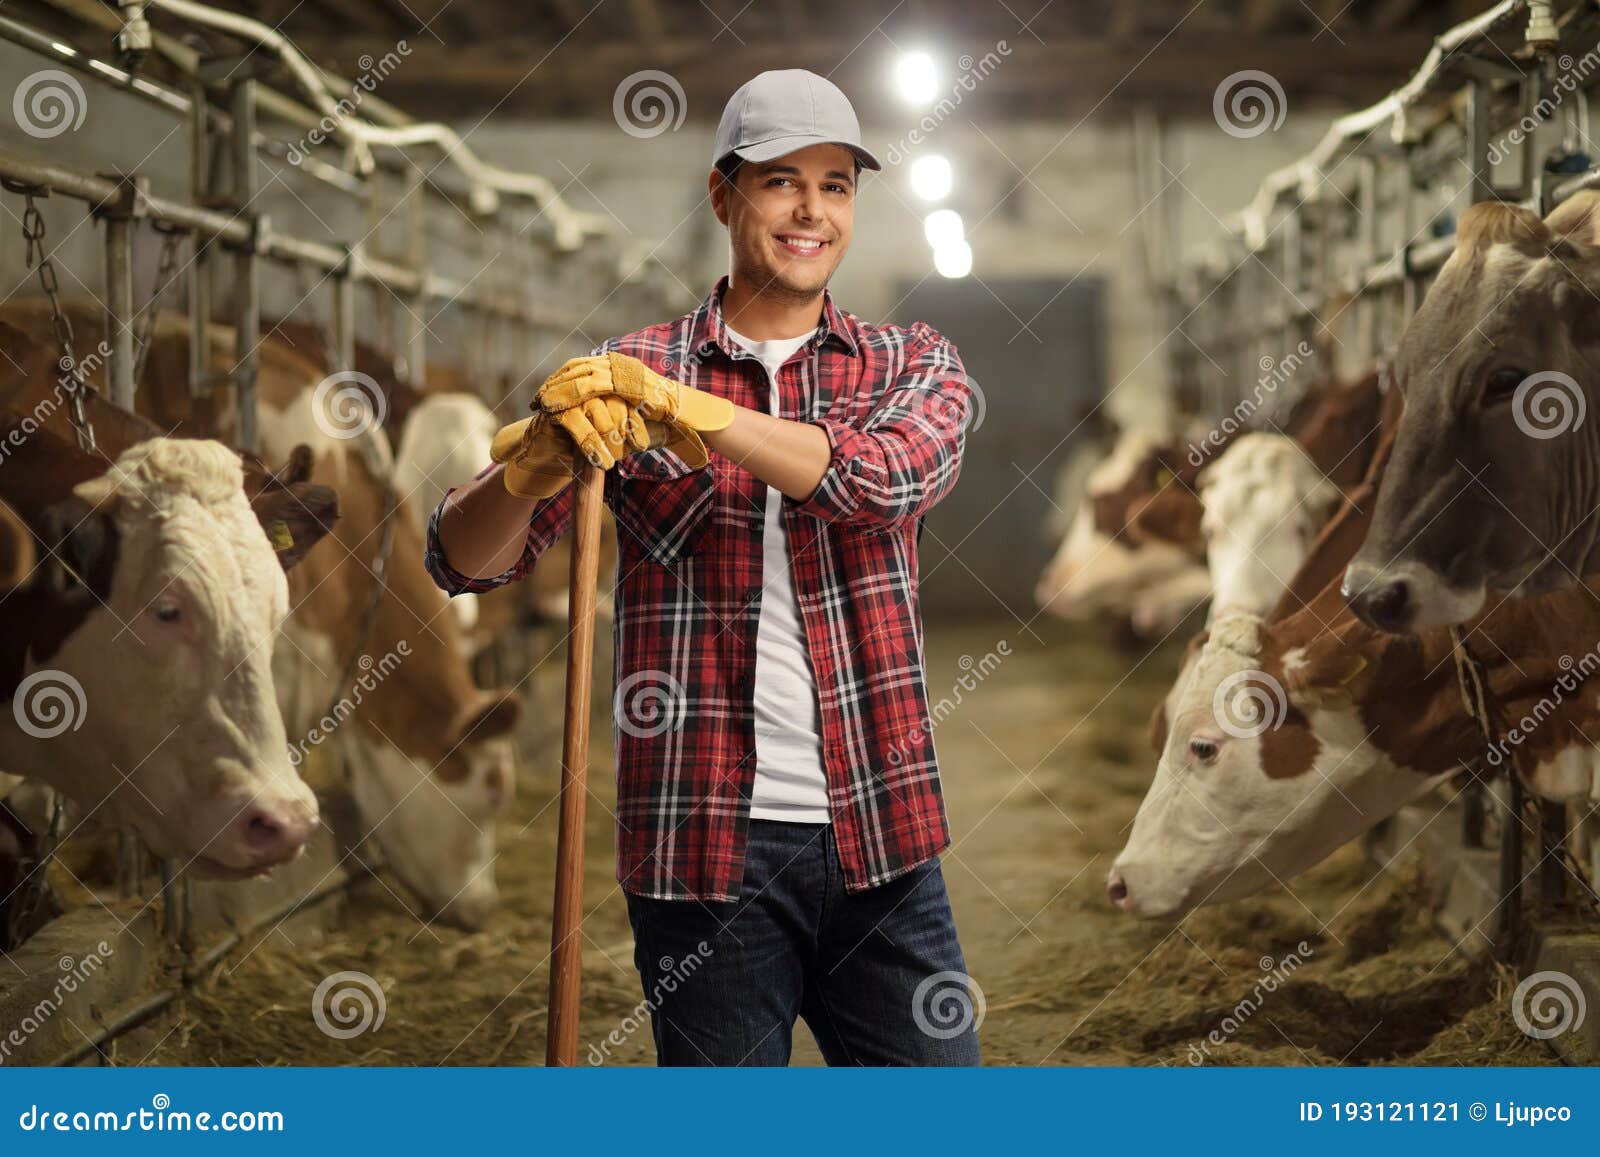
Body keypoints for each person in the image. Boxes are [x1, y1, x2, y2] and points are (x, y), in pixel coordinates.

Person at [425, 68, 980, 1066]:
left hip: (882, 834)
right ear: (724, 195)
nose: (812, 210)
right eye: (781, 181)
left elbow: (883, 482)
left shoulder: (911, 363)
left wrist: (693, 411)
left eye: (837, 184)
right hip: (700, 846)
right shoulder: (622, 371)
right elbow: (461, 564)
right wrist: (530, 467)